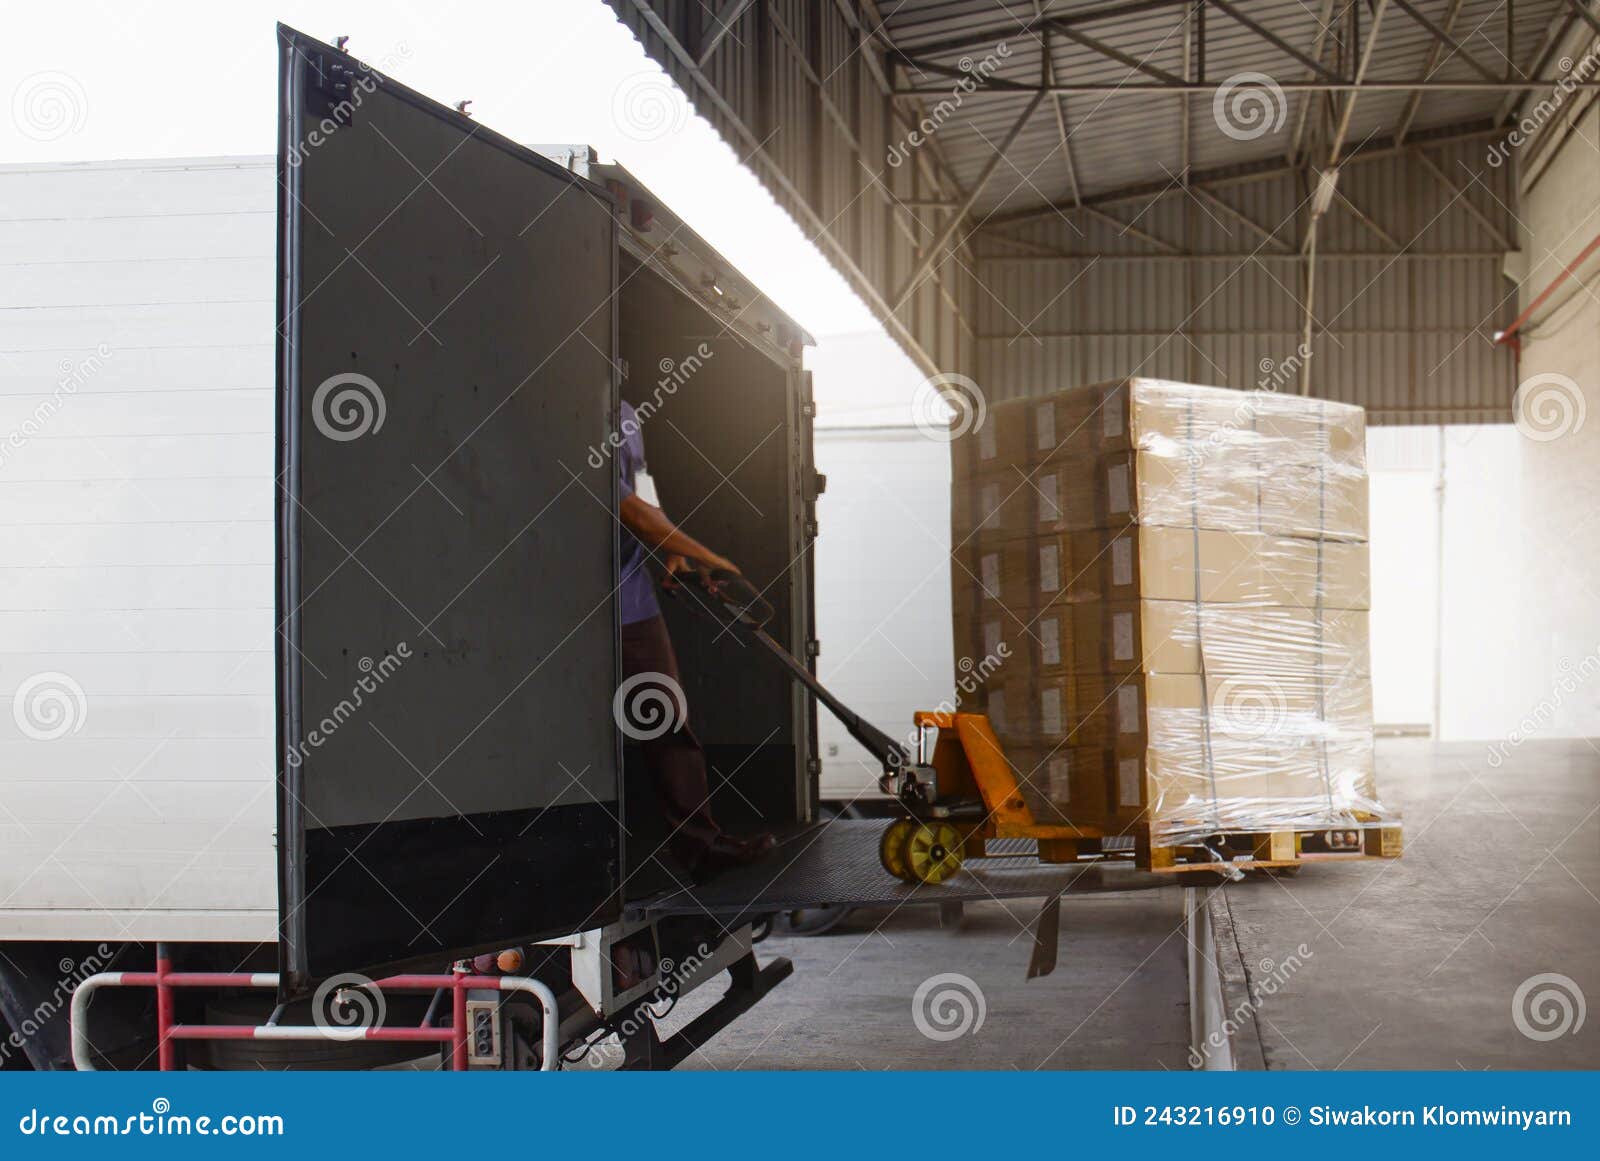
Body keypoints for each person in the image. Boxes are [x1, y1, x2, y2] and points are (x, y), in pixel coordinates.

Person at [613, 400, 776, 876]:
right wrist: (709, 557)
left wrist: (673, 553)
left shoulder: (623, 410)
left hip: (630, 596)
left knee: (665, 715)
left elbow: (642, 491)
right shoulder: (575, 405)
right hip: (579, 601)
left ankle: (699, 848)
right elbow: (626, 510)